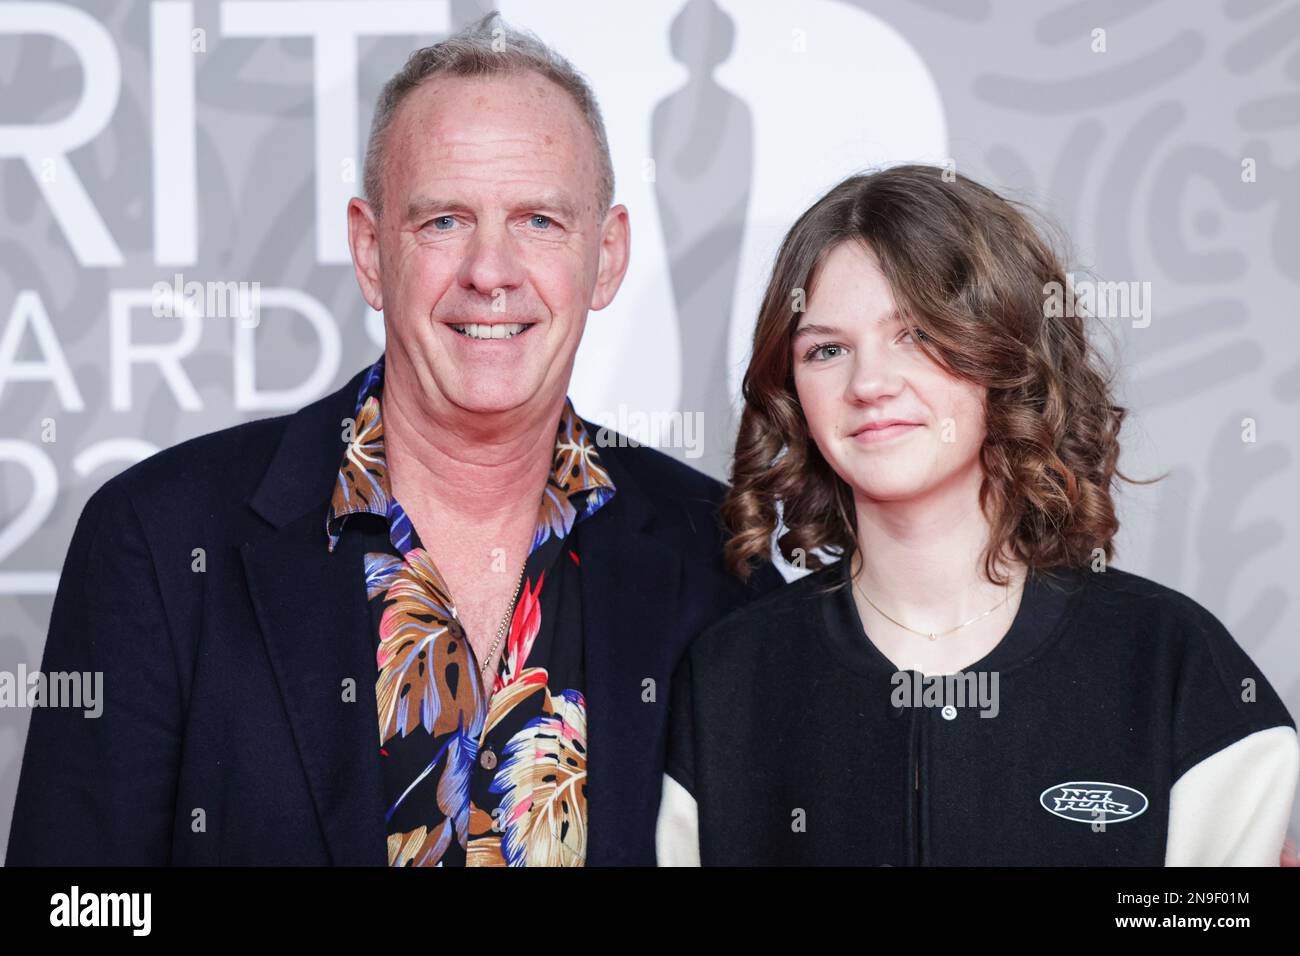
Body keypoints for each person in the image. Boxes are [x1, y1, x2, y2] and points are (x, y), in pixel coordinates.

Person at [5, 12, 780, 868]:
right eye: (443, 220)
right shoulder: (155, 540)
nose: (491, 271)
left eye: (540, 222)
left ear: (607, 256)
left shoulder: (717, 561)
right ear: (372, 253)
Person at [655, 164, 1300, 866]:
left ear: (1008, 353)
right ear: (791, 392)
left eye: (916, 334)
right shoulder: (729, 680)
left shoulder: (1174, 666)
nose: (869, 383)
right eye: (827, 349)